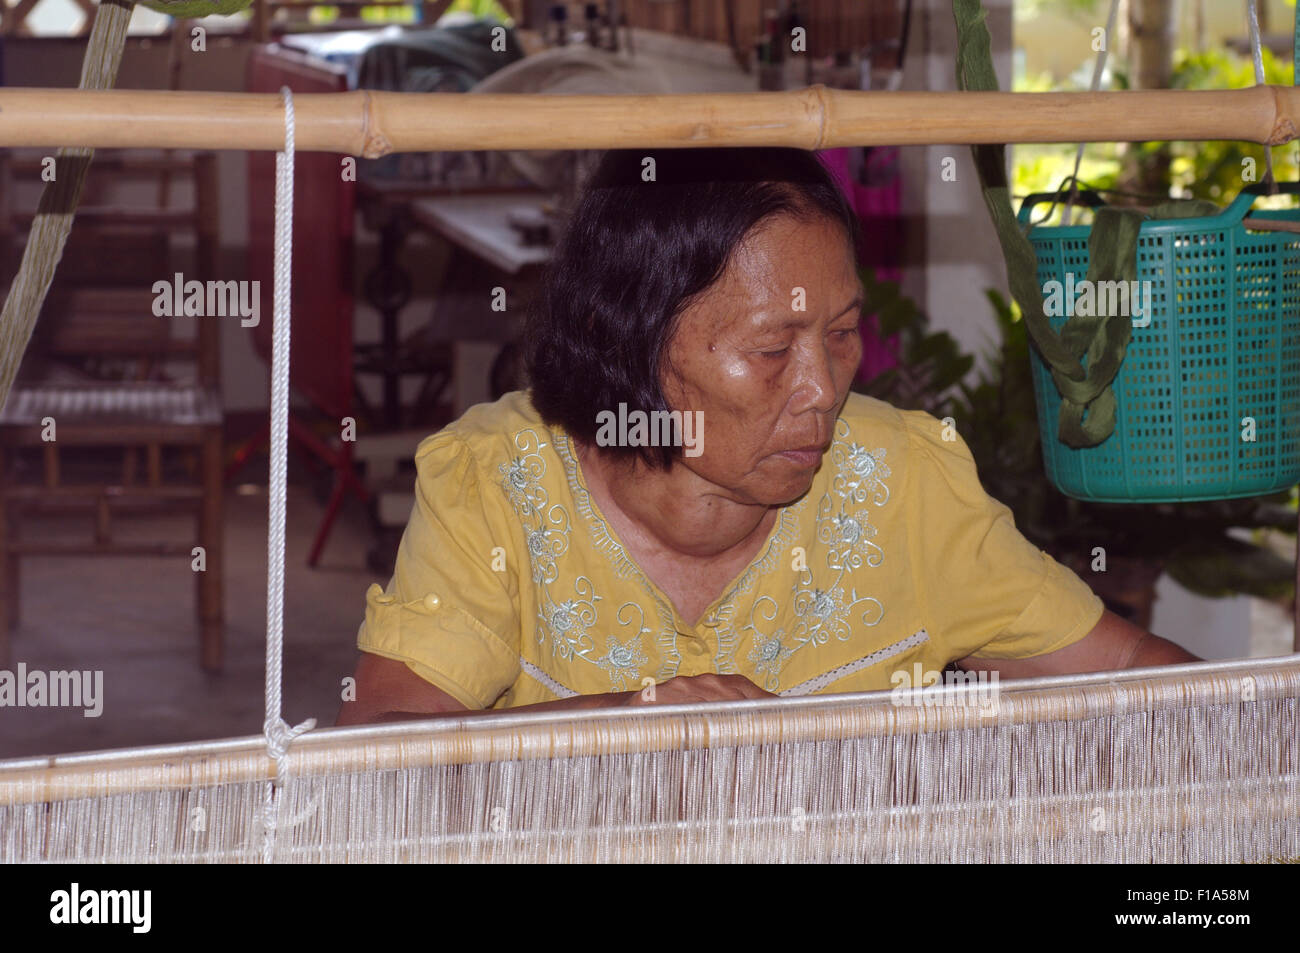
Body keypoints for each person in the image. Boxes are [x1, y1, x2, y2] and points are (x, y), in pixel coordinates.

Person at [337, 147, 1197, 725]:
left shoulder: (901, 483)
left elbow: (1134, 675)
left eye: (842, 333)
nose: (821, 390)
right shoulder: (500, 482)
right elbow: (381, 748)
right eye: (772, 348)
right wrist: (636, 718)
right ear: (622, 330)